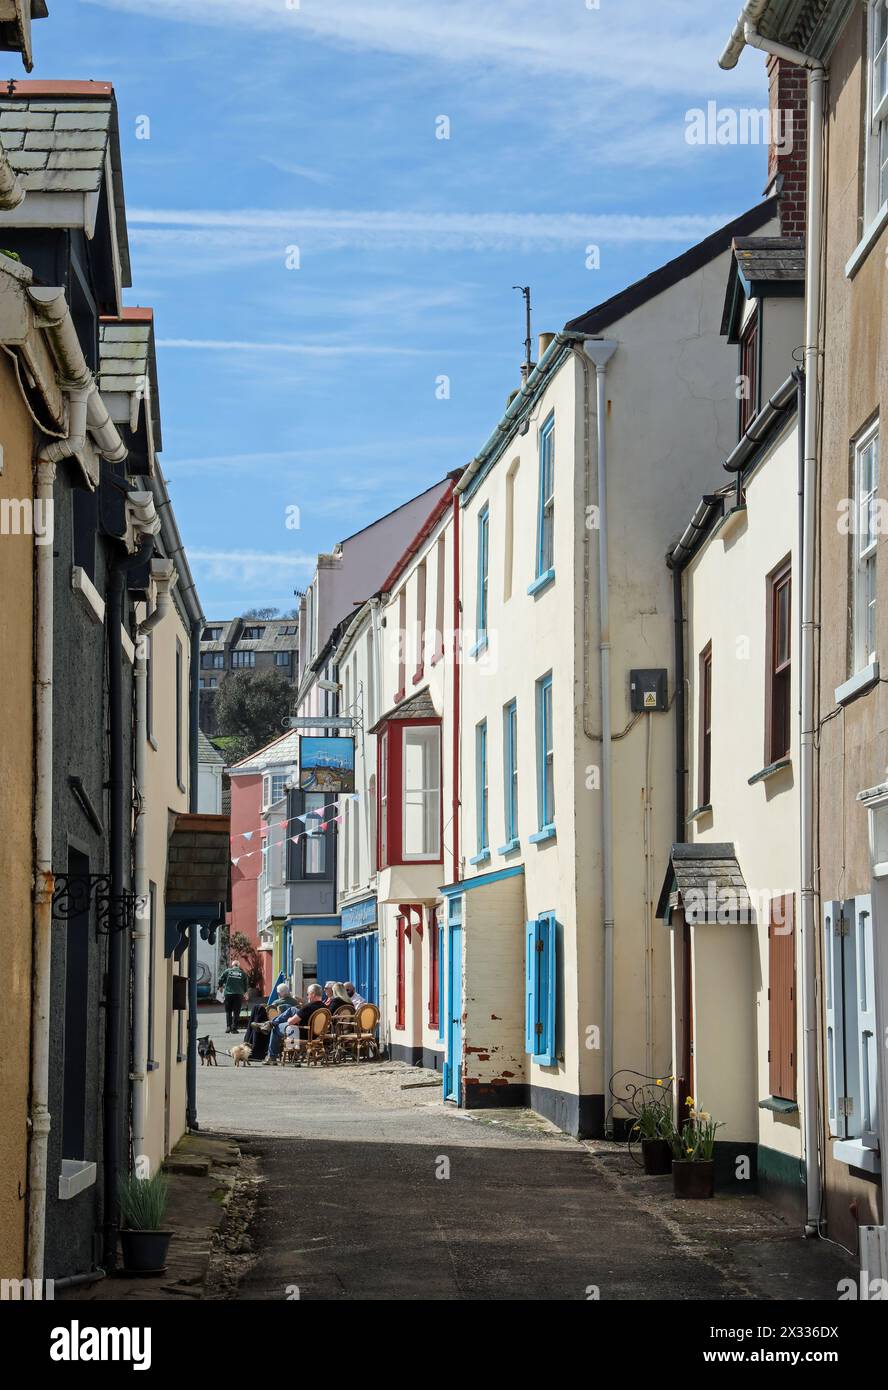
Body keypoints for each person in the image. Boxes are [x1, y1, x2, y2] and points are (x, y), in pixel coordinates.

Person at [264, 984, 326, 1065]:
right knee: (292, 1009)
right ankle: (270, 1023)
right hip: (315, 1035)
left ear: (313, 994)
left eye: (308, 994)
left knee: (275, 1027)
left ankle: (272, 1056)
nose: (307, 996)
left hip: (299, 1033)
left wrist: (289, 1019)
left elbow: (291, 1022)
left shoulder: (308, 1007)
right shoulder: (325, 1008)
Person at [218, 958, 251, 1033]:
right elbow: (245, 984)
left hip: (228, 994)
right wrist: (246, 993)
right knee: (236, 1012)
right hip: (238, 994)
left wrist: (220, 986)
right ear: (239, 966)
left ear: (232, 965)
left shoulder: (227, 971)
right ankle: (234, 1028)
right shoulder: (242, 973)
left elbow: (221, 979)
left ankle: (228, 1027)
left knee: (228, 1011)